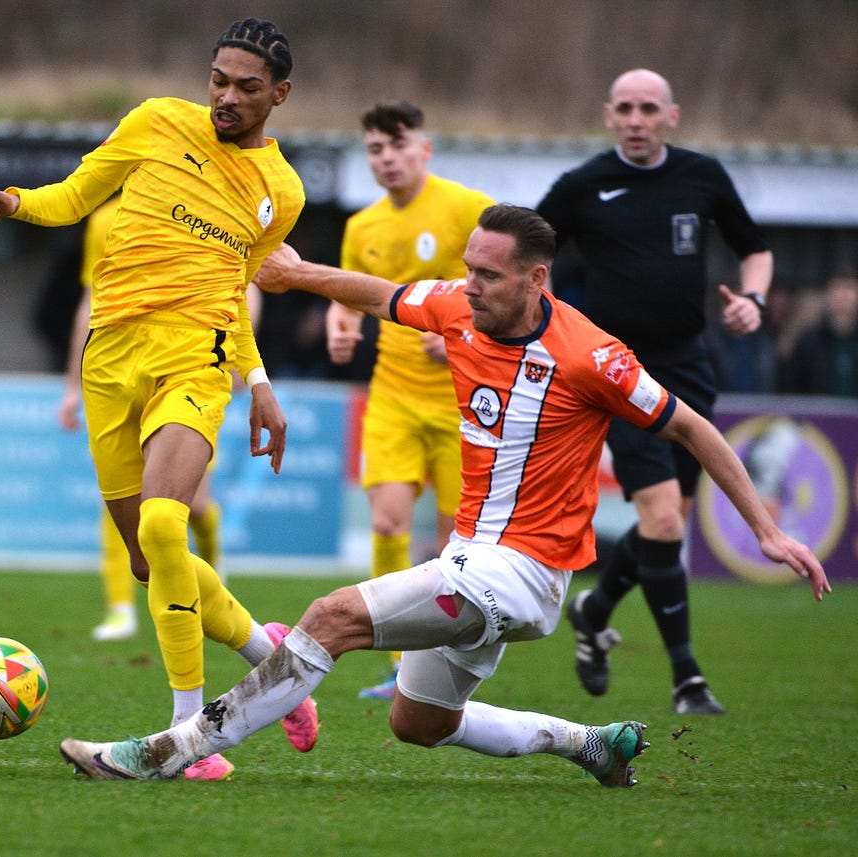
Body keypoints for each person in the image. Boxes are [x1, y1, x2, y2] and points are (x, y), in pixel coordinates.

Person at [57, 204, 829, 786]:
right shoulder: (460, 308)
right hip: (470, 557)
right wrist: (297, 275)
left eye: (488, 274)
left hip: (525, 572)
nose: (471, 285)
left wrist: (765, 529)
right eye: (468, 269)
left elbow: (693, 427)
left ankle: (170, 749)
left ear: (536, 279)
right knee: (418, 720)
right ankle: (590, 744)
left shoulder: (592, 357)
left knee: (329, 616)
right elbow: (384, 294)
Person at [0, 18, 318, 781]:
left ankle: (187, 737)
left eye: (247, 87)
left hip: (195, 358)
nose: (226, 97)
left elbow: (235, 292)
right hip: (109, 359)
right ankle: (276, 661)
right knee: (149, 562)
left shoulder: (282, 191)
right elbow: (74, 196)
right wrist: (13, 202)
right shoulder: (156, 121)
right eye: (218, 80)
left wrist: (258, 383)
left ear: (279, 95)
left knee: (164, 525)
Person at [535, 69, 774, 715]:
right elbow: (526, 250)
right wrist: (541, 319)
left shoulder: (703, 176)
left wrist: (753, 300)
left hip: (689, 363)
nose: (637, 119)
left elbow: (755, 249)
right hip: (615, 369)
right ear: (608, 115)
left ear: (672, 115)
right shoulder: (583, 184)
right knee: (664, 518)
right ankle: (687, 678)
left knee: (668, 524)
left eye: (649, 108)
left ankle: (594, 610)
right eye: (626, 108)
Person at [329, 101, 494, 699]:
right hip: (393, 395)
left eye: (398, 146)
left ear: (425, 149)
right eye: (376, 149)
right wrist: (341, 323)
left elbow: (516, 290)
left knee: (455, 543)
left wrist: (464, 338)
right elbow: (349, 293)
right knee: (387, 521)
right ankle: (397, 661)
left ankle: (441, 664)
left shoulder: (468, 210)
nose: (388, 159)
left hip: (465, 404)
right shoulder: (361, 227)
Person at [58, 196, 240, 642]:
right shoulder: (103, 220)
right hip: (117, 372)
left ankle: (214, 570)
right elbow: (90, 301)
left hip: (183, 371)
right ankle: (120, 608)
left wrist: (241, 361)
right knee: (122, 501)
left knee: (193, 508)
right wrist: (71, 385)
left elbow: (239, 285)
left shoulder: (198, 205)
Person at [779, 272, 858, 396]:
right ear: (827, 295)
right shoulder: (808, 342)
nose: (843, 297)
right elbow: (792, 389)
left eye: (849, 289)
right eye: (837, 289)